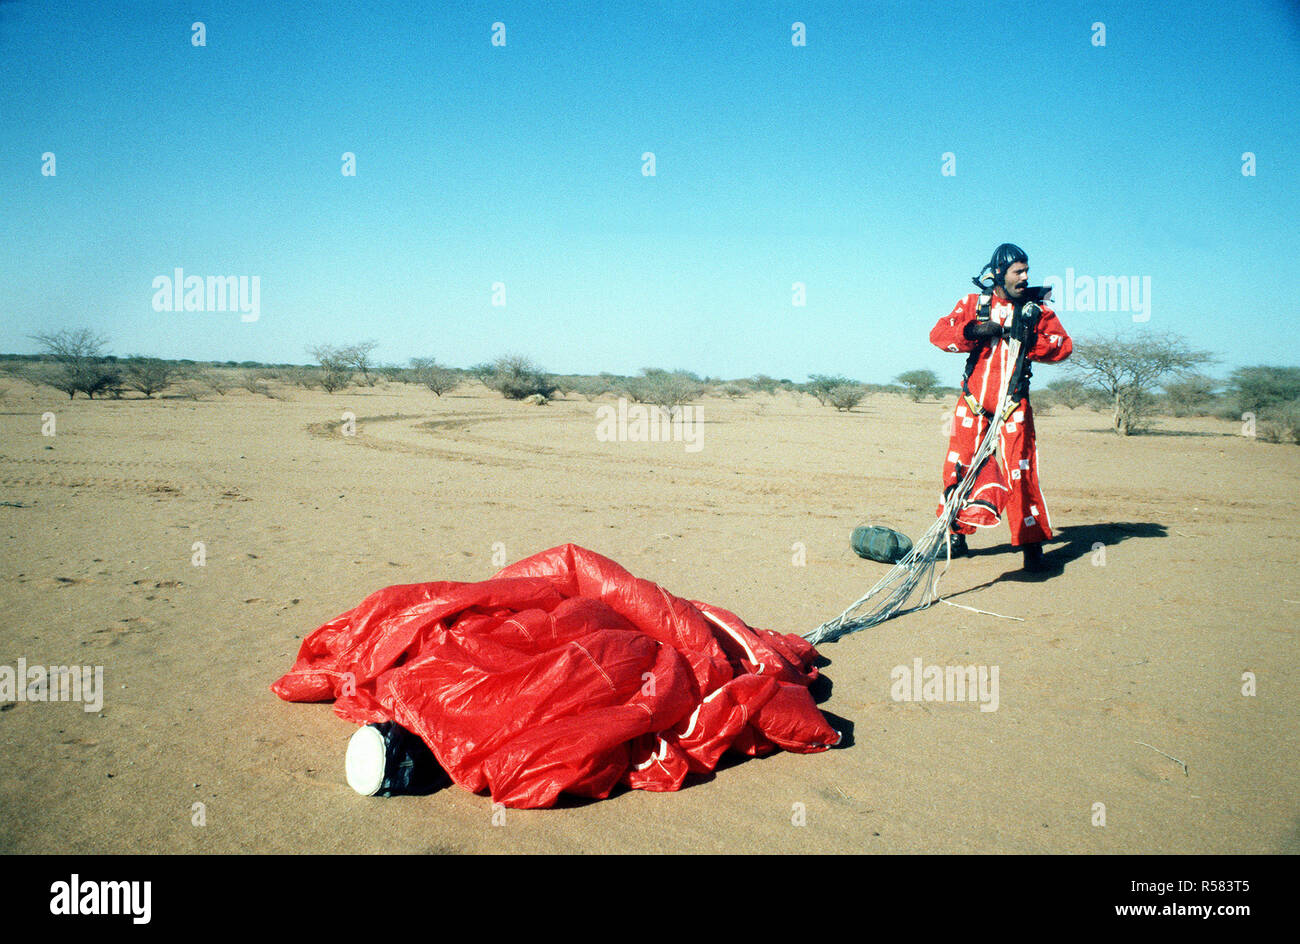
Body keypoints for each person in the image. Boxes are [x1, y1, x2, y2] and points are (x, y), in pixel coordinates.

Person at [930, 243, 1072, 571]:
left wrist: (1027, 337)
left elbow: (1064, 347)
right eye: (1017, 272)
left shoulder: (1037, 311)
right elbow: (938, 335)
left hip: (1013, 406)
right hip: (973, 404)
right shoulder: (972, 304)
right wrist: (972, 331)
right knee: (958, 469)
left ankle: (1032, 548)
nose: (1025, 277)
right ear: (999, 274)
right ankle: (955, 535)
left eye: (1026, 271)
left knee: (1021, 474)